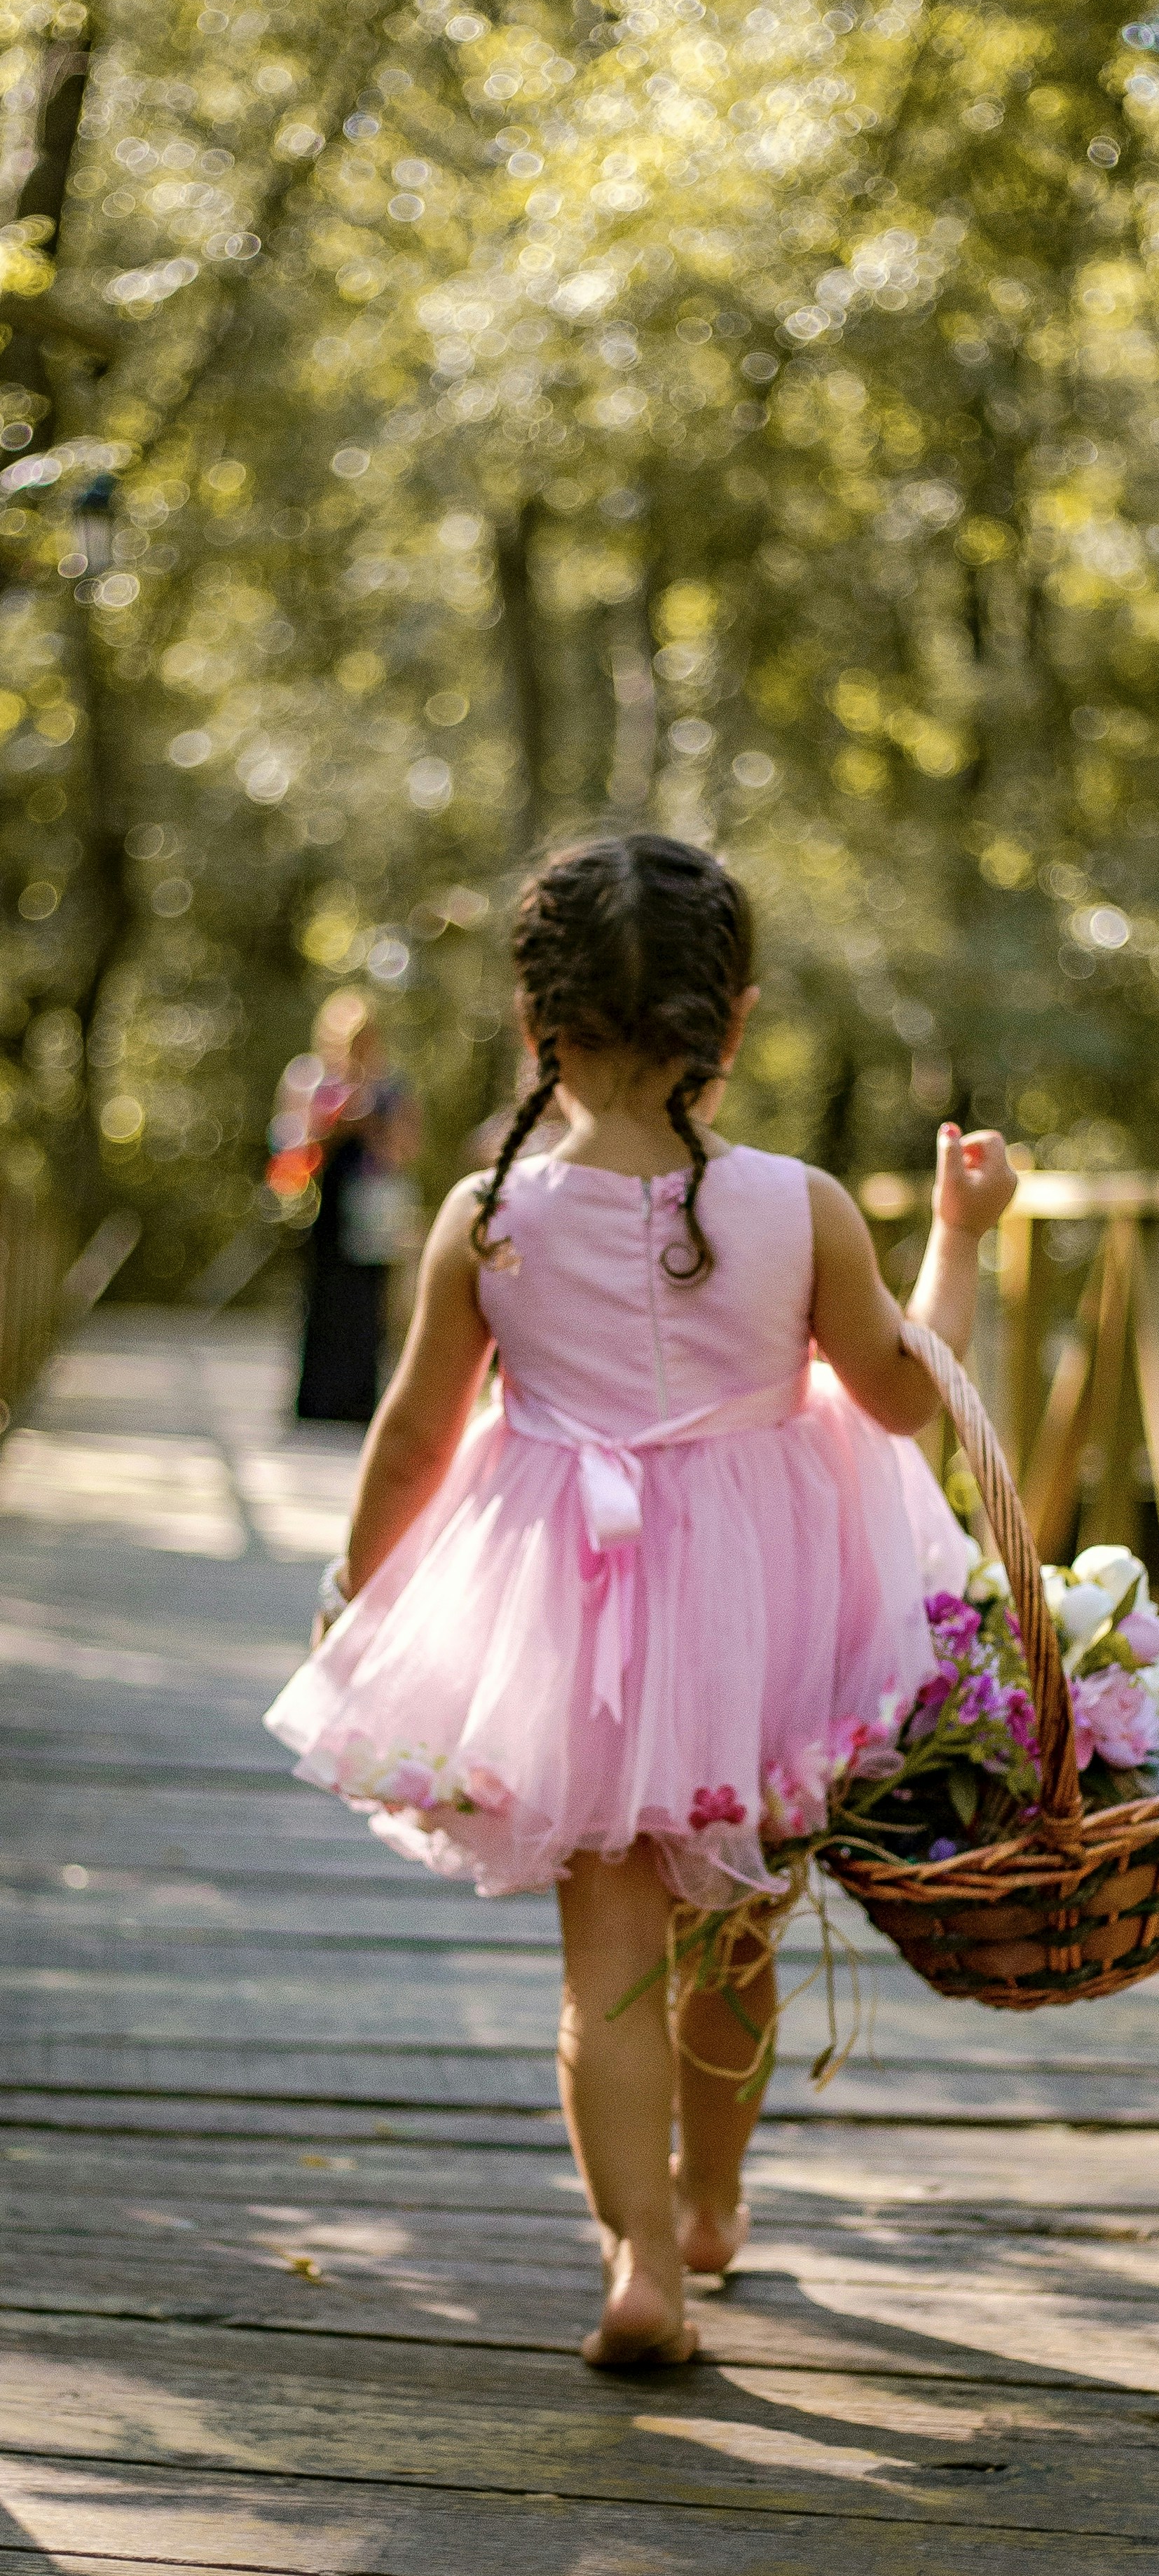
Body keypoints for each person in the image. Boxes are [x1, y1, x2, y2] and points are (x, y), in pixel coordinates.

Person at [266, 832, 1015, 2369]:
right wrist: (958, 1240)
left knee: (601, 1961)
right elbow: (905, 1403)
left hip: (571, 1624)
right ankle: (713, 2205)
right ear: (734, 1022)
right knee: (734, 1936)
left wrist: (361, 1590)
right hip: (768, 1611)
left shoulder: (488, 1216)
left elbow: (415, 1434)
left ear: (538, 1026)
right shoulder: (799, 1208)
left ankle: (638, 2270)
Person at [270, 992, 422, 1425]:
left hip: (372, 1209)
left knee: (366, 1304)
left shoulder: (391, 1086)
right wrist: (330, 1127)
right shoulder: (308, 1077)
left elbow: (407, 1147)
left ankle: (358, 1404)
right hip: (322, 1205)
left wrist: (374, 1123)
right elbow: (285, 1143)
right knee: (320, 1300)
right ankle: (315, 1403)